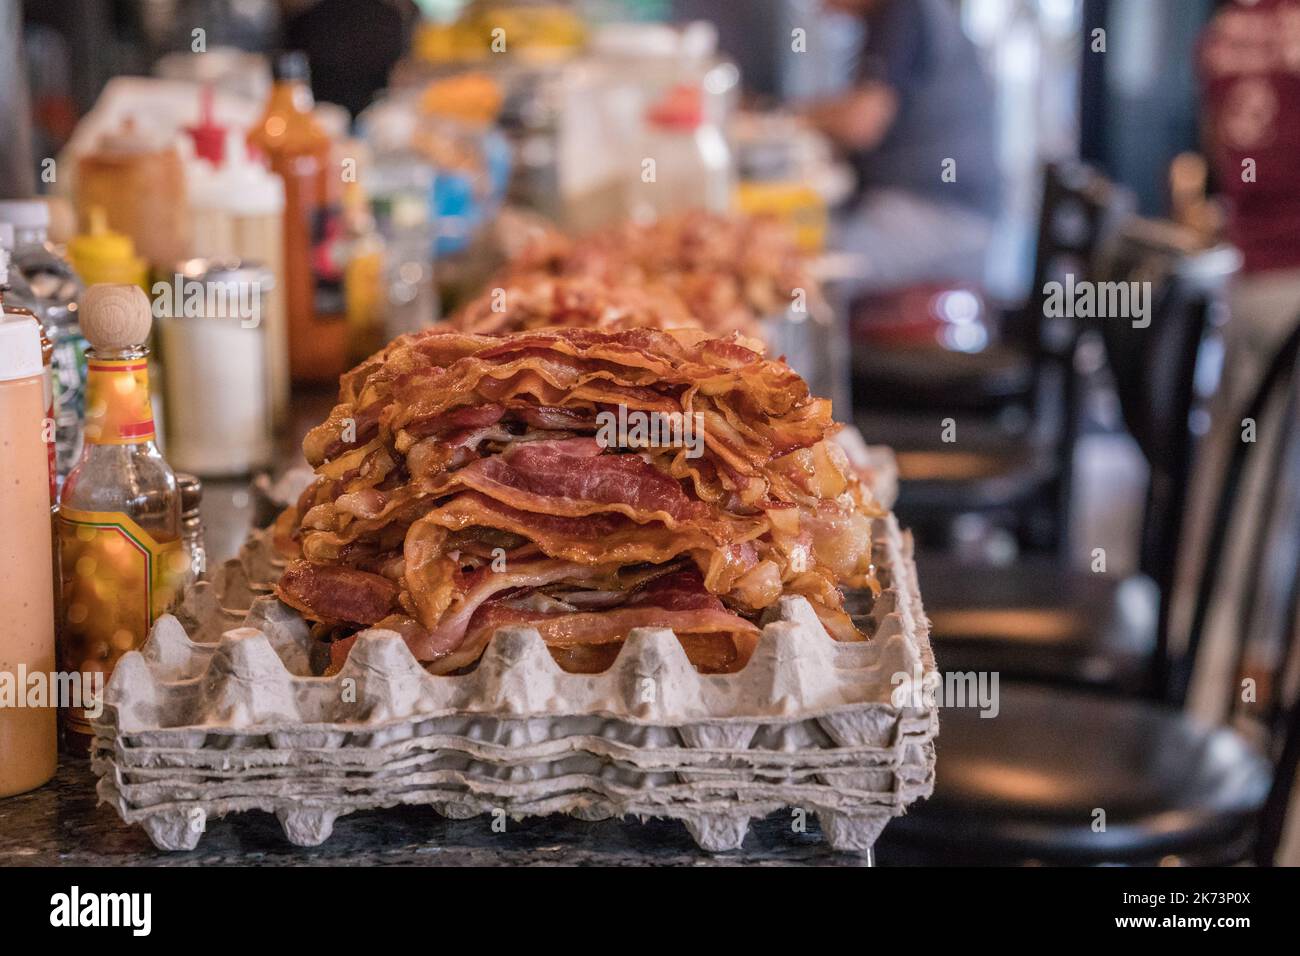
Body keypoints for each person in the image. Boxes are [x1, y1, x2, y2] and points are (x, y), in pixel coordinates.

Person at [804, 0, 1001, 295]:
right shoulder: (893, 16)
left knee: (808, 275)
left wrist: (785, 116)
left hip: (943, 213)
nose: (820, 7)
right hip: (921, 204)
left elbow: (860, 125)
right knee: (797, 246)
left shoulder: (905, 9)